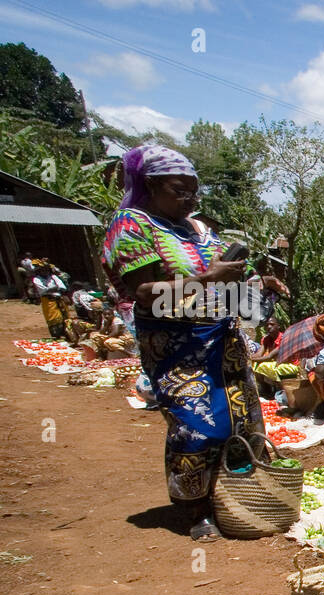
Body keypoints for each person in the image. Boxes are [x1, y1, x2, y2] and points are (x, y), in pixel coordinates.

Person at [101, 144, 289, 541]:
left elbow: (232, 274)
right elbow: (145, 291)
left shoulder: (199, 229)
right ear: (150, 187)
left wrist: (259, 281)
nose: (189, 199)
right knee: (199, 425)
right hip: (177, 344)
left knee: (241, 418)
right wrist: (205, 280)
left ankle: (235, 494)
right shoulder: (132, 225)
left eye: (193, 190)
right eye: (178, 190)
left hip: (222, 338)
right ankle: (194, 506)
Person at [30, 262, 71, 340]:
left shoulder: (53, 277)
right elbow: (43, 290)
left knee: (64, 316)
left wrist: (53, 288)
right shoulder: (36, 279)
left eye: (46, 270)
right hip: (48, 300)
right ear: (39, 271)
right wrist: (54, 288)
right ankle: (56, 335)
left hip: (59, 299)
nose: (45, 272)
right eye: (43, 270)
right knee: (53, 318)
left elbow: (62, 286)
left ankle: (67, 334)